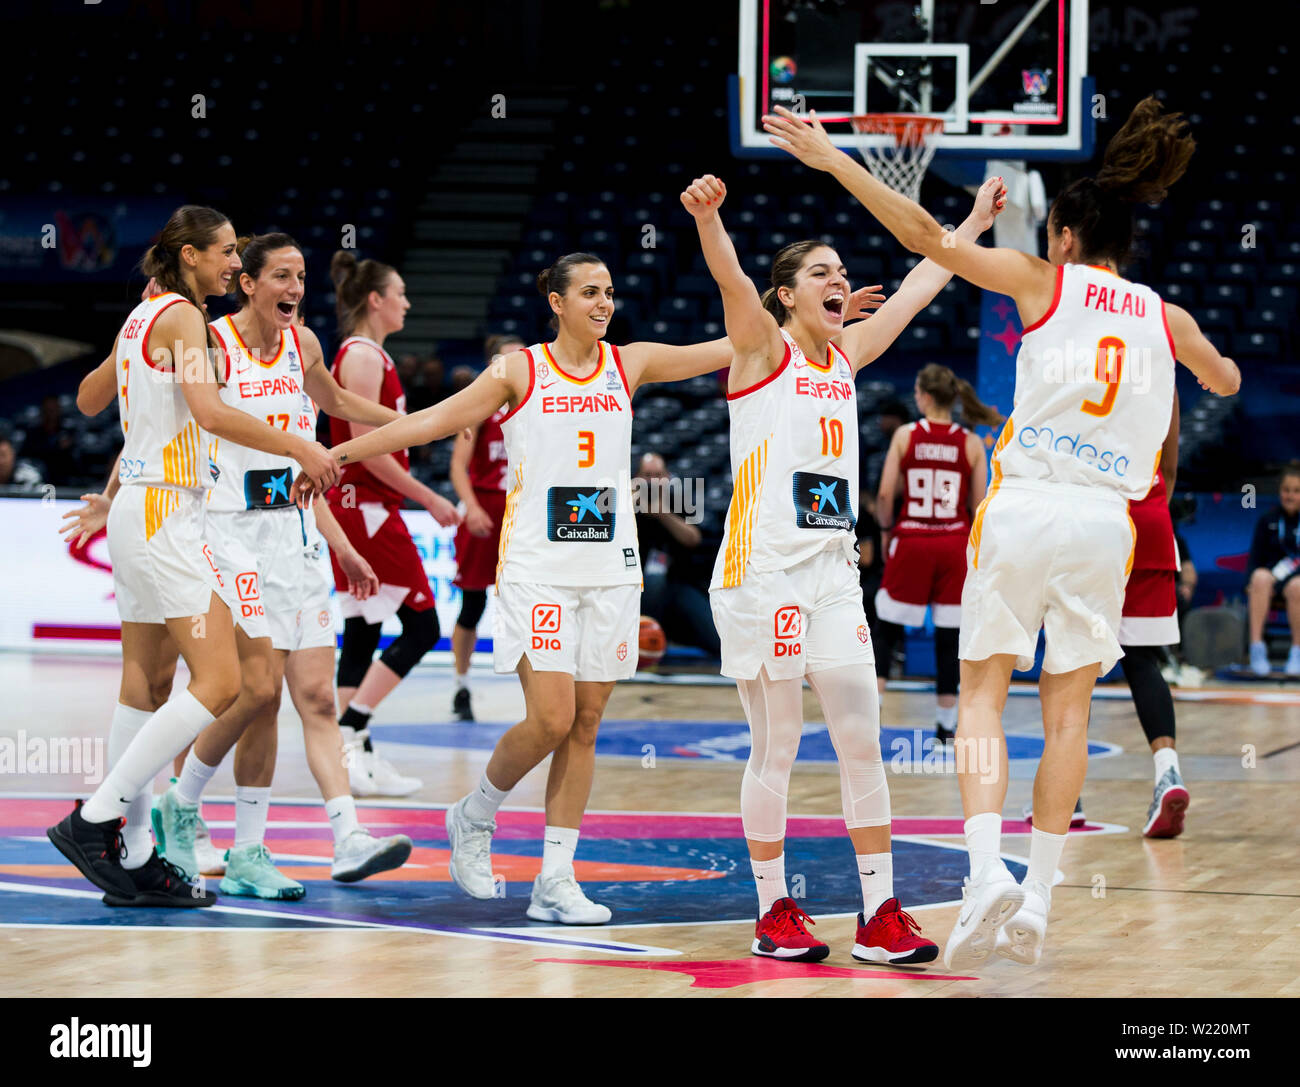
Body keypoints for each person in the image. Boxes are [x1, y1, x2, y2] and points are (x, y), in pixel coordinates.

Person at [762, 96, 1239, 968]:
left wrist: (834, 160)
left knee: (982, 693)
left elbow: (923, 235)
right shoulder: (1161, 315)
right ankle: (1042, 901)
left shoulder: (1039, 279)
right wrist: (1193, 359)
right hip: (1107, 522)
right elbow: (1229, 377)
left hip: (1025, 506)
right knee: (1070, 708)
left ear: (1060, 235)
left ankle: (988, 870)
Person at [294, 251, 751, 924]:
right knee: (551, 717)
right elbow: (433, 420)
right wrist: (340, 452)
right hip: (539, 567)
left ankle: (555, 880)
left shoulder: (632, 361)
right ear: (557, 303)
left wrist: (797, 317)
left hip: (610, 569)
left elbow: (737, 342)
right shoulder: (519, 368)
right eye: (590, 291)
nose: (605, 301)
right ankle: (473, 815)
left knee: (587, 722)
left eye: (611, 290)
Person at [685, 171, 1005, 965]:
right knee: (779, 745)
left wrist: (968, 218)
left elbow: (926, 278)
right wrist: (710, 218)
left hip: (831, 575)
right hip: (763, 573)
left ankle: (879, 912)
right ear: (787, 296)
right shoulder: (760, 349)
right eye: (820, 273)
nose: (839, 280)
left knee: (863, 739)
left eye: (839, 270)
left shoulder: (847, 355)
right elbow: (729, 277)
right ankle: (771, 911)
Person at [44, 204, 341, 907]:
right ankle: (95, 820)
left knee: (144, 685)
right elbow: (208, 414)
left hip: (137, 508)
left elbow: (90, 399)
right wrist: (297, 442)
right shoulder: (180, 316)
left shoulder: (144, 316)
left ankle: (140, 854)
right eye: (227, 253)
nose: (235, 264)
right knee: (222, 681)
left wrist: (131, 360)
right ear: (188, 256)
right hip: (169, 508)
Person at [148, 233, 415, 896]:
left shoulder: (306, 347)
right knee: (258, 692)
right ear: (248, 283)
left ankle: (320, 840)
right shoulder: (211, 342)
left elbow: (341, 407)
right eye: (281, 276)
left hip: (295, 541)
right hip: (229, 537)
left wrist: (427, 421)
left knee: (317, 697)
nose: (295, 288)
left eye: (301, 277)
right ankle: (181, 801)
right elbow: (187, 422)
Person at [324, 250, 460, 797]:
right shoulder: (360, 355)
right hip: (367, 509)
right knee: (423, 627)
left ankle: (354, 755)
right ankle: (351, 729)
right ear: (375, 300)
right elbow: (366, 447)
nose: (407, 302)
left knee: (362, 632)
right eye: (399, 293)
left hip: (365, 508)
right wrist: (430, 497)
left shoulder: (370, 354)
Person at [874, 364, 1001, 745]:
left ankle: (870, 719)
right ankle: (946, 726)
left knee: (887, 631)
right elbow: (979, 506)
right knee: (950, 638)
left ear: (926, 397)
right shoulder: (970, 442)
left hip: (912, 538)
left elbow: (884, 495)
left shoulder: (905, 435)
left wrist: (885, 531)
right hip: (952, 544)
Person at [448, 334, 522, 721]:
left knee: (528, 602)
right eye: (507, 360)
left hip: (523, 513)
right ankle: (462, 687)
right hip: (485, 509)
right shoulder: (479, 408)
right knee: (473, 604)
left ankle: (541, 688)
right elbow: (458, 465)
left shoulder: (536, 405)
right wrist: (472, 507)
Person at [634, 451, 721, 658]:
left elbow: (693, 538)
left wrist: (663, 514)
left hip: (678, 584)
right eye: (647, 475)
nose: (653, 481)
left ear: (668, 477)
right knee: (652, 581)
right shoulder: (626, 504)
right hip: (636, 588)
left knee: (718, 640)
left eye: (658, 475)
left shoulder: (680, 500)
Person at [1246, 462, 1300, 676]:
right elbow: (1255, 558)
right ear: (1280, 492)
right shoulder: (1267, 520)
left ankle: (1297, 651)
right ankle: (1256, 649)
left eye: (1296, 491)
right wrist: (1247, 584)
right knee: (1258, 577)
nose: (1290, 495)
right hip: (1271, 578)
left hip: (1296, 580)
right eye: (1286, 490)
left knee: (1298, 586)